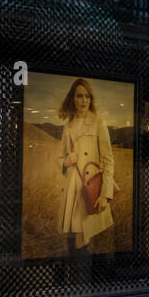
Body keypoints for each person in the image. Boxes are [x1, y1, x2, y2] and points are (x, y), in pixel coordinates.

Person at [57, 78, 115, 253]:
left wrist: (105, 194)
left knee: (84, 240)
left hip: (89, 187)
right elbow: (59, 157)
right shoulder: (69, 126)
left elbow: (108, 160)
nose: (84, 100)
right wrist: (66, 161)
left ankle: (82, 277)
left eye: (87, 96)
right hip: (72, 187)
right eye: (80, 96)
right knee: (71, 237)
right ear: (72, 99)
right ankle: (73, 277)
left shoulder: (98, 122)